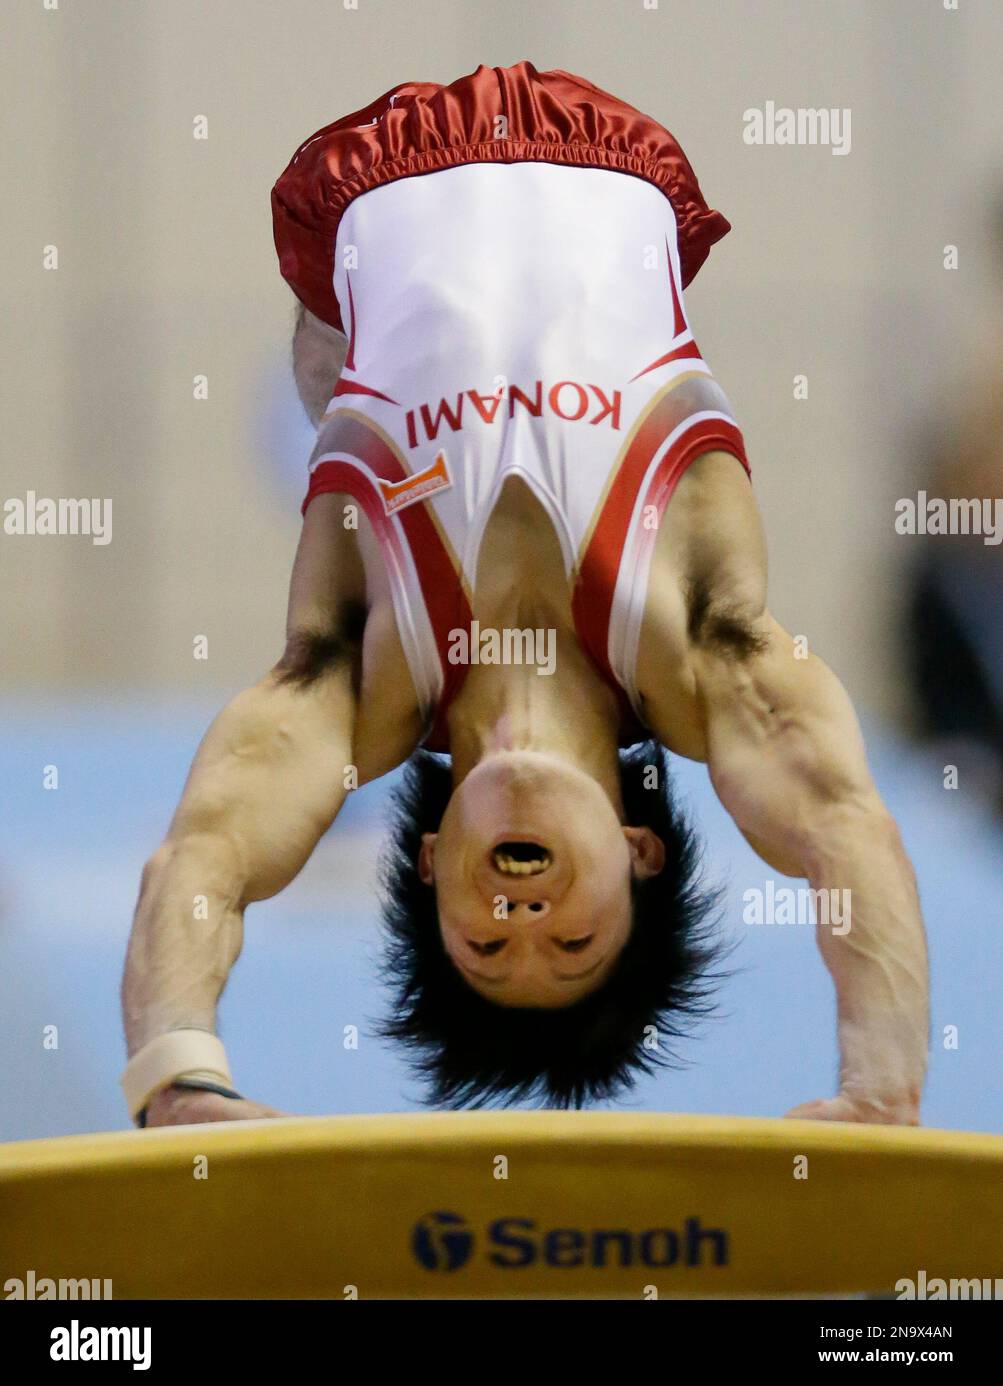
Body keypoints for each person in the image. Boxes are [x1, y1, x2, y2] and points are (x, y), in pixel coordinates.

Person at [121, 62, 928, 1125]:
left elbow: (204, 855)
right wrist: (882, 1087)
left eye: (487, 941)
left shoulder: (358, 690)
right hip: (614, 159)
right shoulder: (702, 659)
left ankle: (341, 340)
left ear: (427, 865)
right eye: (572, 940)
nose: (523, 911)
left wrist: (177, 1077)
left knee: (327, 373)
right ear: (638, 858)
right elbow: (842, 824)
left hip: (369, 186)